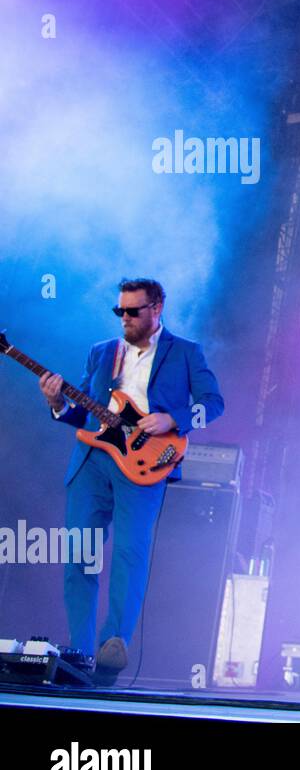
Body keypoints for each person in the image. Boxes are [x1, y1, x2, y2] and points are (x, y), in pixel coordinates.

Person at [39, 278, 224, 683]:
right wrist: (57, 403)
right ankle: (79, 656)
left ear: (157, 308)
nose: (124, 318)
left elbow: (214, 404)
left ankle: (112, 649)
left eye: (133, 311)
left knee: (128, 554)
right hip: (92, 461)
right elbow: (85, 415)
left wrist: (173, 417)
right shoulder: (102, 352)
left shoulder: (186, 353)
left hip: (144, 464)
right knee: (79, 556)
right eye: (119, 311)